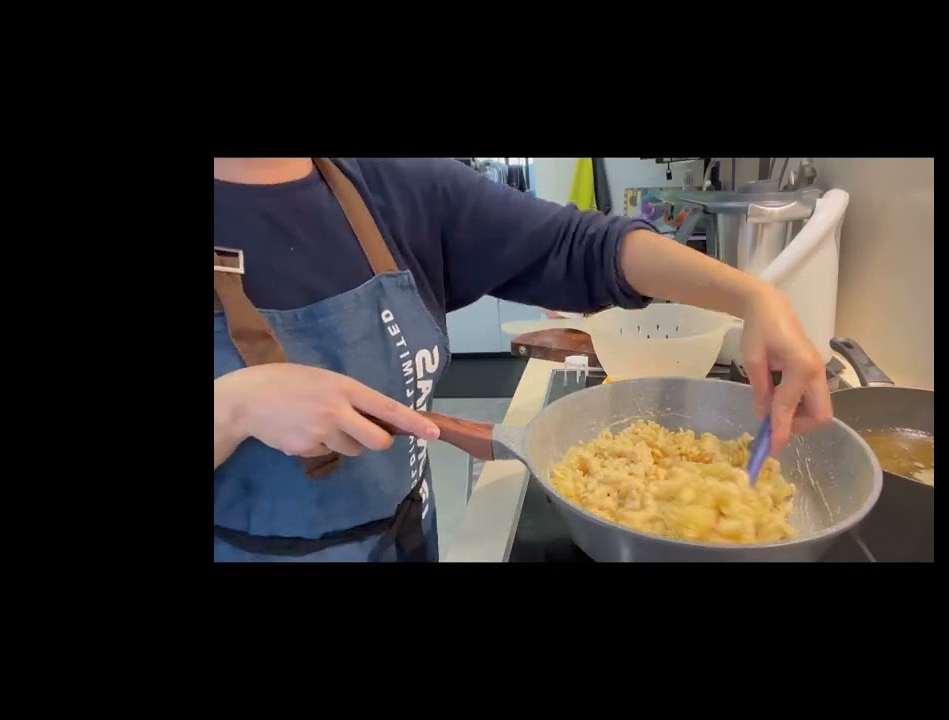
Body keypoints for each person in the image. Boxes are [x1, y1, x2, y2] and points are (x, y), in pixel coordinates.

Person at [213, 157, 832, 562]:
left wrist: (752, 296)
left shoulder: (394, 185)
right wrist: (233, 407)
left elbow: (579, 245)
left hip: (399, 540)